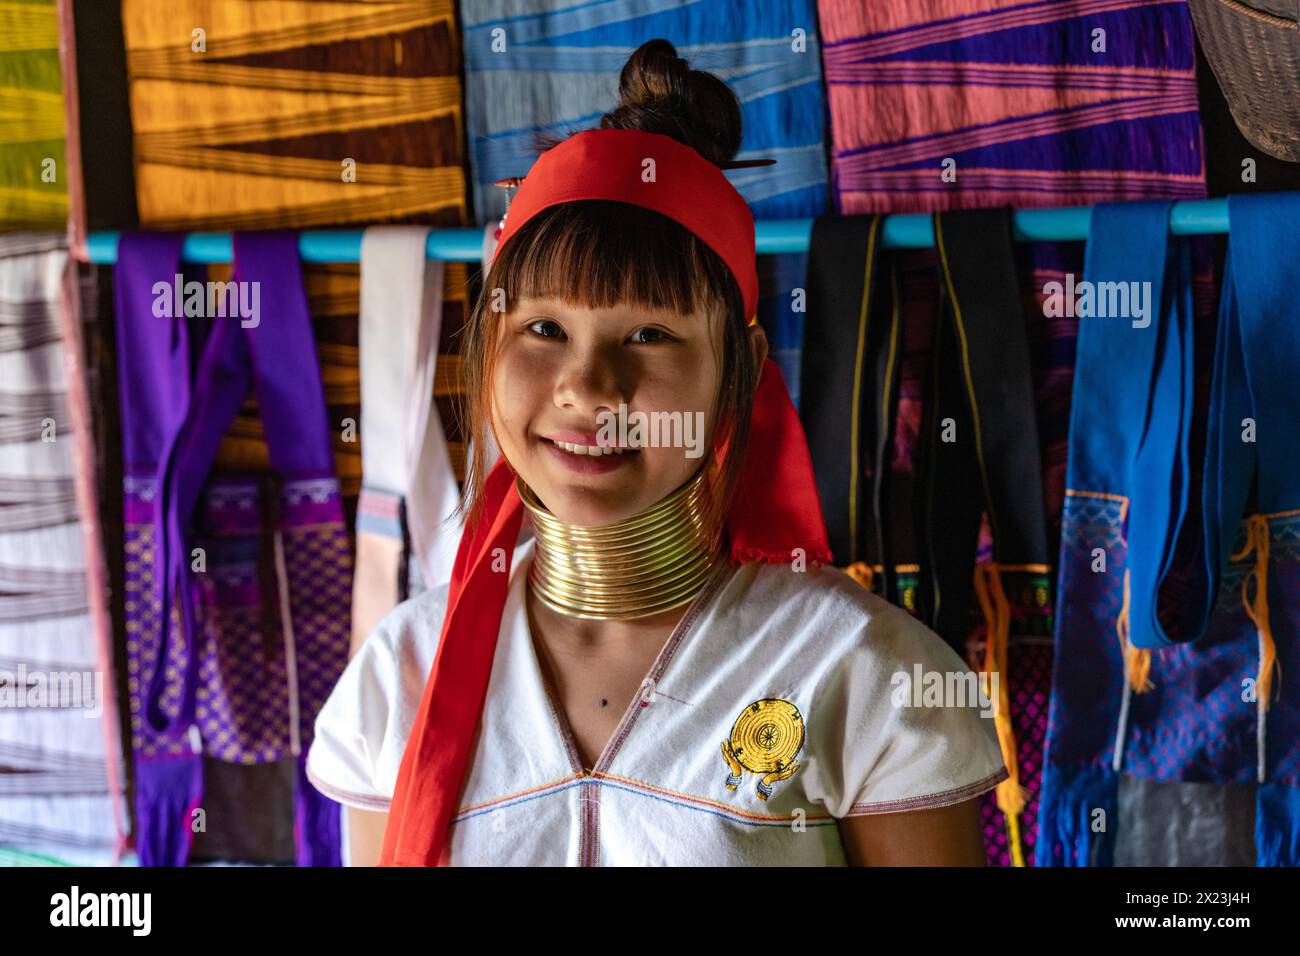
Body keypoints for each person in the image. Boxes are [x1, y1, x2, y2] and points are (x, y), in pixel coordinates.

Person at [305, 38, 1007, 867]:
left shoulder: (860, 669)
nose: (587, 387)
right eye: (543, 329)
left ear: (739, 370)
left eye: (649, 334)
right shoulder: (399, 677)